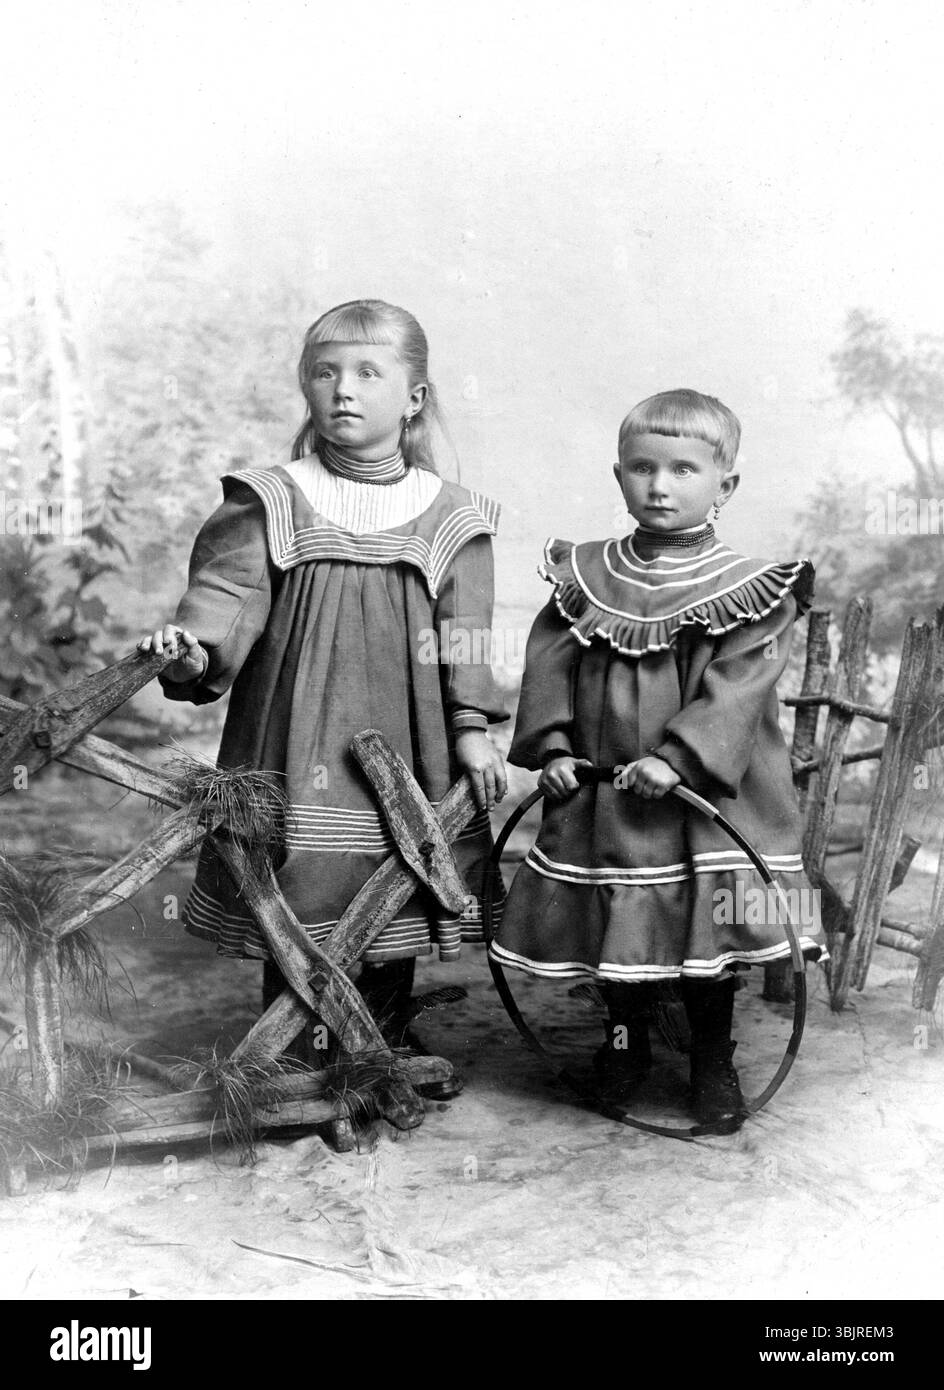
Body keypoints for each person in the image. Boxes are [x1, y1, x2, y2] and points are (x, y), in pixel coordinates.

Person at [139, 299, 508, 1093]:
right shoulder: (271, 498)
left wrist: (474, 730)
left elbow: (465, 636)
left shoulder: (453, 517)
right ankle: (298, 1044)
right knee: (296, 869)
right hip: (294, 731)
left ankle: (379, 1039)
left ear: (413, 398)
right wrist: (189, 649)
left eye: (368, 373)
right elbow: (224, 601)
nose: (343, 389)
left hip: (411, 736)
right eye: (325, 371)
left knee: (398, 863)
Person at [489, 388, 825, 1132]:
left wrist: (679, 758)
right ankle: (626, 1050)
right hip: (607, 794)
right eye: (642, 468)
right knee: (621, 932)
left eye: (681, 469)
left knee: (707, 940)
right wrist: (552, 748)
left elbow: (741, 684)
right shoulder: (586, 577)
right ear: (620, 478)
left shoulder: (747, 589)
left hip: (708, 801)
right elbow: (550, 667)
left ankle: (713, 1063)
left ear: (724, 485)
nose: (659, 485)